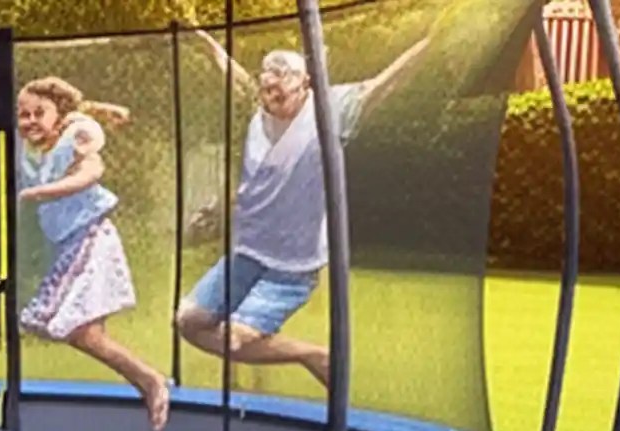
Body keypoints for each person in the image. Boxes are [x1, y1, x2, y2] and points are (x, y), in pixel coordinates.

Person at [177, 29, 430, 389]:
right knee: (188, 322)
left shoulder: (329, 111)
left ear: (306, 84)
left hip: (292, 265)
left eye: (281, 90)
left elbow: (386, 83)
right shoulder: (258, 110)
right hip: (246, 252)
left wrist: (430, 43)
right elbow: (233, 74)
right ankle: (309, 355)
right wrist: (205, 42)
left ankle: (311, 355)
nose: (272, 97)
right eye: (267, 90)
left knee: (234, 339)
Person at [15, 76, 170, 431]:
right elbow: (75, 108)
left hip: (90, 240)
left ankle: (150, 380)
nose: (30, 120)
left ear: (57, 115)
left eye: (39, 113)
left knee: (73, 329)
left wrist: (41, 193)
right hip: (68, 246)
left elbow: (92, 171)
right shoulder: (34, 151)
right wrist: (103, 108)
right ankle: (148, 380)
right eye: (24, 114)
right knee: (80, 333)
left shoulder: (75, 140)